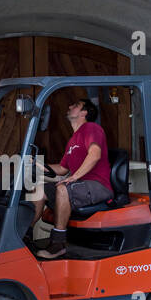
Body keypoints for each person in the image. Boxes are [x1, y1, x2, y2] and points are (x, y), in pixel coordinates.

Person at [30, 98, 112, 258]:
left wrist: (73, 177)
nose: (69, 106)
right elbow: (61, 169)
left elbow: (95, 154)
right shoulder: (73, 140)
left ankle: (58, 243)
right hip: (80, 187)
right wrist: (36, 165)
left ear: (84, 112)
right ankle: (23, 236)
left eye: (75, 105)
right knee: (39, 190)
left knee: (63, 188)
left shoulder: (91, 128)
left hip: (98, 186)